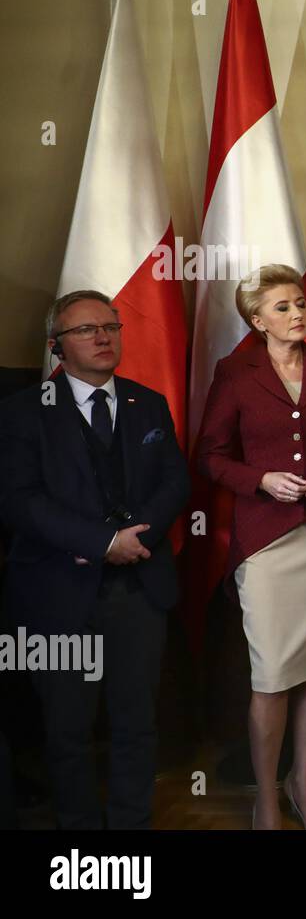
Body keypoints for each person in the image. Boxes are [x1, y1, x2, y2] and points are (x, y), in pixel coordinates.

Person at [0, 290, 189, 828]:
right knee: (66, 731)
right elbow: (19, 501)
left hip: (139, 591)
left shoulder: (146, 402)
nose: (104, 337)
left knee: (136, 724)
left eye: (111, 326)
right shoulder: (20, 413)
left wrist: (135, 540)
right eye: (86, 330)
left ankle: (130, 831)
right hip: (57, 596)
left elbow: (175, 480)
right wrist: (101, 542)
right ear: (56, 347)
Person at [195, 264, 306, 830]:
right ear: (256, 318)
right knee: (270, 673)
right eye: (283, 308)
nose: (298, 314)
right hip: (266, 541)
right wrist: (260, 480)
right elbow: (212, 454)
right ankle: (266, 794)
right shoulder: (235, 371)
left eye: (299, 304)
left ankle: (304, 781)